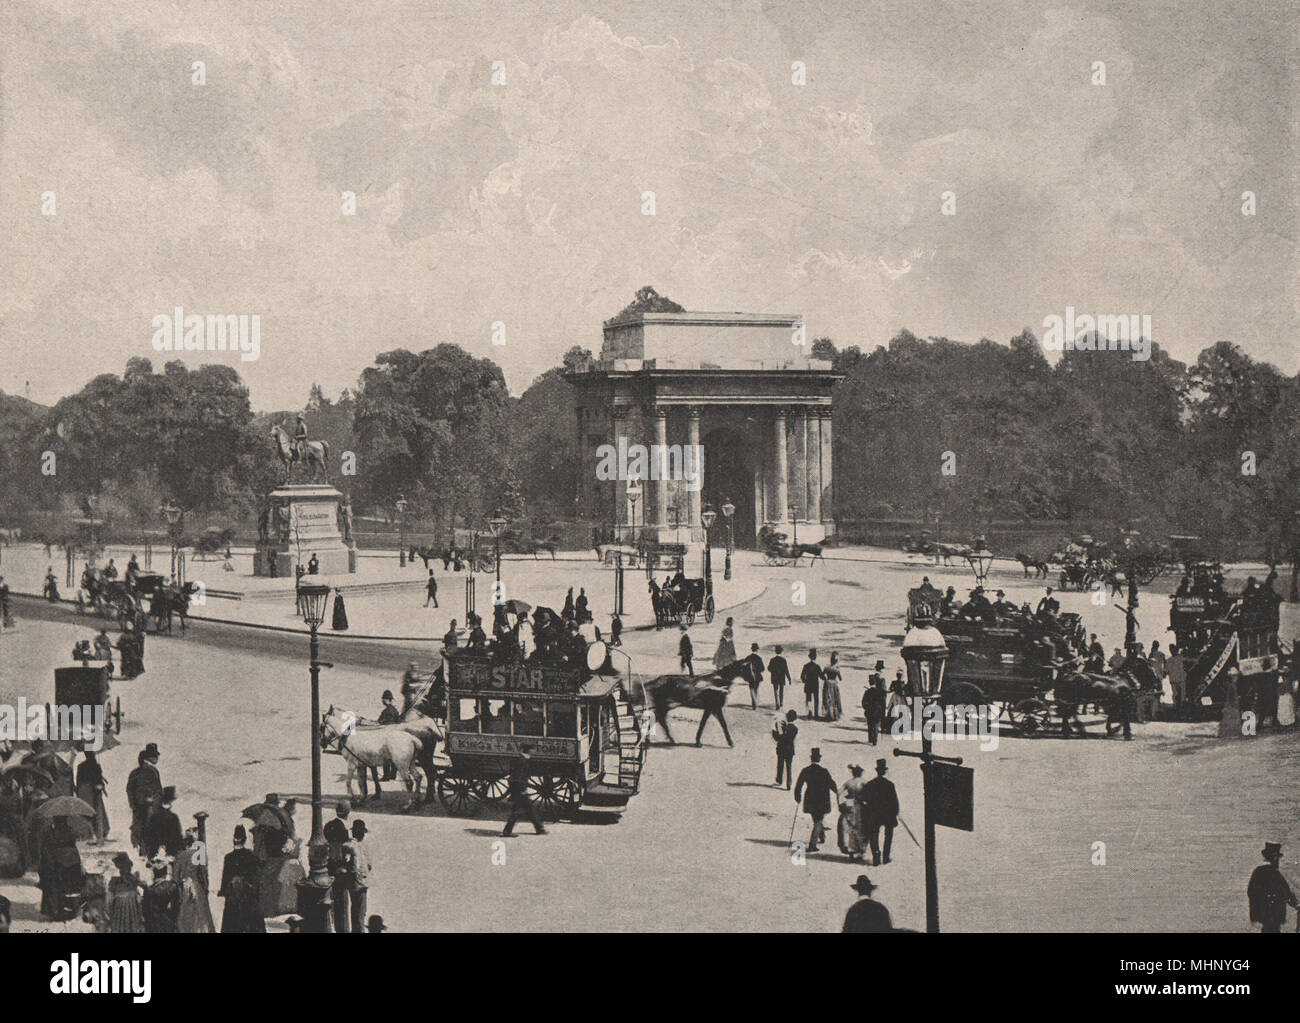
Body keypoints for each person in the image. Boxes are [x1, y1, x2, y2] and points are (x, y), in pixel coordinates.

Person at [218, 825, 264, 933]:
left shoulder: (228, 857)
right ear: (244, 840)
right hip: (247, 895)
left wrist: (223, 891)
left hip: (233, 896)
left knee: (232, 924)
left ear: (234, 840)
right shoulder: (250, 855)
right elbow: (255, 877)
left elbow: (225, 878)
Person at [38, 816, 83, 921]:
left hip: (55, 864)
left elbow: (46, 848)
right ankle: (70, 910)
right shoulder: (71, 831)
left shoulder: (51, 833)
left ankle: (56, 911)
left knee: (54, 887)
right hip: (71, 863)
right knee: (69, 888)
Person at [793, 748, 837, 853]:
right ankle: (813, 844)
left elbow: (799, 785)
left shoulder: (806, 770)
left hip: (810, 799)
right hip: (822, 799)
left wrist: (797, 796)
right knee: (818, 820)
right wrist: (838, 793)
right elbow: (832, 784)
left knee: (816, 818)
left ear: (811, 758)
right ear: (819, 759)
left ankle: (821, 835)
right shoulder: (824, 771)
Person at [1247, 842, 1297, 932]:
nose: (1278, 860)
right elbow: (1285, 891)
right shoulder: (1273, 873)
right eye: (1277, 857)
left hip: (1265, 916)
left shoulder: (1258, 872)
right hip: (1272, 915)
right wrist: (1296, 904)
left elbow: (1251, 892)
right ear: (1274, 857)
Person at [175, 829, 215, 933]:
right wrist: (206, 888)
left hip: (185, 888)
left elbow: (176, 877)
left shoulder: (179, 856)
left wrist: (183, 882)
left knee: (186, 916)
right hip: (197, 887)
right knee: (201, 916)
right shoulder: (198, 854)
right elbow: (203, 874)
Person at [861, 758, 899, 866]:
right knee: (888, 835)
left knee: (874, 835)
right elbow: (894, 801)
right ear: (885, 771)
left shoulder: (870, 784)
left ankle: (876, 856)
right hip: (887, 814)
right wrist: (895, 813)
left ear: (876, 770)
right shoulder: (890, 784)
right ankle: (886, 857)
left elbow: (864, 799)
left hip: (874, 814)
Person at [126, 744, 162, 855]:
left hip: (138, 807)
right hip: (150, 807)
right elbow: (158, 790)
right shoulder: (153, 771)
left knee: (139, 829)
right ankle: (148, 852)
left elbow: (129, 789)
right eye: (155, 756)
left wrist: (132, 804)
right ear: (151, 757)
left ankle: (141, 850)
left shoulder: (134, 772)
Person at [502, 748, 547, 836]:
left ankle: (539, 828)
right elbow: (518, 777)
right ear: (529, 751)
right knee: (520, 810)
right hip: (520, 790)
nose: (534, 751)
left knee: (527, 810)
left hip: (519, 789)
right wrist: (522, 790)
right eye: (532, 750)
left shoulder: (521, 760)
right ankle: (507, 831)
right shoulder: (522, 762)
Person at [325, 800, 353, 932]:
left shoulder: (329, 825)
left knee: (334, 900)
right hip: (341, 868)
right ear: (348, 812)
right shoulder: (344, 829)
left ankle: (336, 926)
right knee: (342, 901)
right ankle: (343, 928)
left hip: (330, 865)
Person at [76, 750, 109, 843]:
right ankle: (100, 833)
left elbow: (78, 782)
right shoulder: (96, 766)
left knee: (87, 813)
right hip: (94, 791)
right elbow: (98, 781)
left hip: (84, 792)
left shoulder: (81, 766)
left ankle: (87, 834)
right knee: (98, 812)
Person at [107, 851, 145, 934]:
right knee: (132, 925)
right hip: (131, 904)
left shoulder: (114, 880)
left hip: (120, 904)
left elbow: (109, 899)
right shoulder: (133, 878)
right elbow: (142, 886)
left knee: (119, 924)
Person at [346, 819, 372, 934]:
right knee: (360, 911)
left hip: (355, 882)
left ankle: (357, 930)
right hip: (360, 882)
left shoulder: (349, 845)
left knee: (357, 910)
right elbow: (368, 865)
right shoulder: (357, 846)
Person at [142, 858, 180, 934]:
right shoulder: (172, 886)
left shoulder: (150, 888)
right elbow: (176, 905)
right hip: (168, 919)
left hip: (153, 921)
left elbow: (145, 907)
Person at [144, 786, 183, 860]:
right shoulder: (173, 817)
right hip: (171, 854)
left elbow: (148, 837)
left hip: (155, 854)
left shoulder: (154, 817)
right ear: (171, 802)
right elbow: (178, 839)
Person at [839, 765, 867, 861]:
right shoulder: (864, 782)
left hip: (850, 805)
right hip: (861, 806)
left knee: (850, 828)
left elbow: (839, 793)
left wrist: (841, 804)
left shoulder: (849, 782)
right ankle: (861, 851)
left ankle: (851, 850)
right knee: (861, 828)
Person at [772, 710, 798, 789]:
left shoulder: (783, 727)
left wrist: (774, 731)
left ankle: (779, 780)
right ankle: (789, 783)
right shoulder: (795, 728)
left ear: (787, 717)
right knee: (789, 767)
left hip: (781, 749)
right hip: (790, 750)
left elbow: (778, 738)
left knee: (780, 765)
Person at [863, 675, 887, 746]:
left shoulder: (867, 692)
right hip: (877, 711)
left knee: (870, 725)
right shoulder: (879, 692)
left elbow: (863, 702)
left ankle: (870, 738)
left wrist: (866, 708)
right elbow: (882, 702)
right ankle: (875, 740)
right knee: (876, 725)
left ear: (869, 683)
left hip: (870, 711)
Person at [801, 649, 825, 719]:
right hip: (815, 685)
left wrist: (805, 681)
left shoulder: (806, 666)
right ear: (815, 657)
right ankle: (816, 714)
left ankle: (809, 712)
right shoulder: (817, 666)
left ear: (809, 657)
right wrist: (825, 677)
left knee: (808, 699)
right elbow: (821, 676)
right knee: (816, 699)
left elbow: (802, 676)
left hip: (808, 684)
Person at [822, 651, 844, 721]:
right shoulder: (837, 669)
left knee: (828, 699)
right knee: (835, 699)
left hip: (827, 683)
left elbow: (822, 675)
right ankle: (835, 715)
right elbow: (840, 679)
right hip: (834, 684)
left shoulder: (826, 667)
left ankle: (828, 714)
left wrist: (826, 679)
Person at [743, 642, 765, 708]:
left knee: (751, 689)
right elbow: (762, 668)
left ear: (751, 649)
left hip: (750, 677)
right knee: (756, 689)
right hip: (757, 676)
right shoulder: (759, 658)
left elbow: (744, 668)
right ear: (757, 650)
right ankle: (755, 702)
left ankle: (753, 703)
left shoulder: (747, 658)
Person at [768, 644, 790, 709]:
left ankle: (777, 703)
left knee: (776, 690)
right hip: (781, 678)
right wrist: (789, 678)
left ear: (775, 651)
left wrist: (773, 670)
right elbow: (786, 670)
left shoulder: (772, 660)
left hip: (774, 677)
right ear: (781, 652)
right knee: (781, 690)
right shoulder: (783, 660)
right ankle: (781, 703)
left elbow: (769, 668)